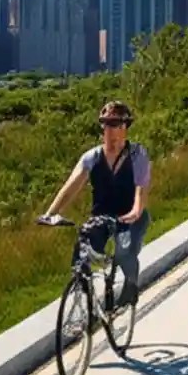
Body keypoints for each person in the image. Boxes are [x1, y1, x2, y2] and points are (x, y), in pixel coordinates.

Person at [39, 101, 152, 312]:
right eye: (105, 123)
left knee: (124, 252)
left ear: (125, 126)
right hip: (102, 216)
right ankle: (83, 297)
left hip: (130, 216)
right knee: (83, 250)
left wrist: (136, 210)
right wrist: (50, 213)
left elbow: (141, 188)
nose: (109, 129)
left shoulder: (137, 154)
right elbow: (71, 187)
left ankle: (130, 287)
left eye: (114, 123)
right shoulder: (92, 157)